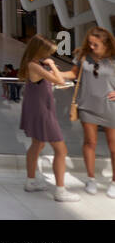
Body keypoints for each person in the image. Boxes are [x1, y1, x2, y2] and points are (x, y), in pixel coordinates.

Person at [18, 36, 79, 201]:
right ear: (41, 51)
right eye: (49, 53)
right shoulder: (35, 66)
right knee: (61, 150)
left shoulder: (33, 64)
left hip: (37, 109)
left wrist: (52, 70)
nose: (50, 56)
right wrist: (52, 65)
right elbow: (59, 80)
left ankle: (31, 181)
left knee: (37, 143)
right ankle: (60, 191)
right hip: (42, 112)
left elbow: (56, 78)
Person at [58, 27, 115, 196]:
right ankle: (91, 179)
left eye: (95, 44)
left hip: (111, 106)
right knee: (90, 142)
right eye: (90, 43)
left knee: (113, 146)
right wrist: (53, 73)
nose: (91, 47)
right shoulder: (82, 56)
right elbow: (73, 74)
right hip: (87, 105)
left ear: (105, 44)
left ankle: (114, 181)